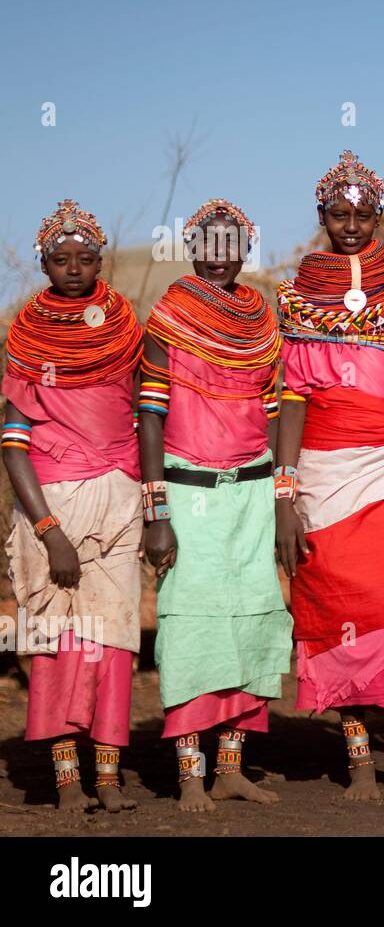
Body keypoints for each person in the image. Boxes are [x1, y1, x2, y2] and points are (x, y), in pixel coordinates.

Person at [275, 152, 384, 801]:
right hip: (323, 474)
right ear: (321, 216)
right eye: (338, 214)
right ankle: (359, 762)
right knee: (336, 608)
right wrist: (284, 493)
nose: (350, 225)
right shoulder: (301, 293)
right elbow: (292, 398)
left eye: (362, 213)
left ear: (379, 213)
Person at [138, 198, 294, 811]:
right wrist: (157, 511)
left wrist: (283, 498)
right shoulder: (170, 314)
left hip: (254, 491)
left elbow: (276, 412)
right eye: (212, 243)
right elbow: (149, 416)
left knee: (253, 620)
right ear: (194, 247)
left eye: (234, 244)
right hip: (189, 489)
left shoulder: (262, 317)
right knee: (191, 627)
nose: (222, 256)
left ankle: (231, 767)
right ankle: (190, 776)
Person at [3, 199, 143, 813]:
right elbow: (12, 448)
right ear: (43, 264)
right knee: (57, 645)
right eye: (60, 260)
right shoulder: (27, 336)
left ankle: (108, 780)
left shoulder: (123, 329)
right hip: (51, 508)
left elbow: (147, 415)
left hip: (119, 499)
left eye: (86, 258)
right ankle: (65, 782)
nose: (74, 269)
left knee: (112, 643)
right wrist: (50, 532)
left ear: (100, 260)